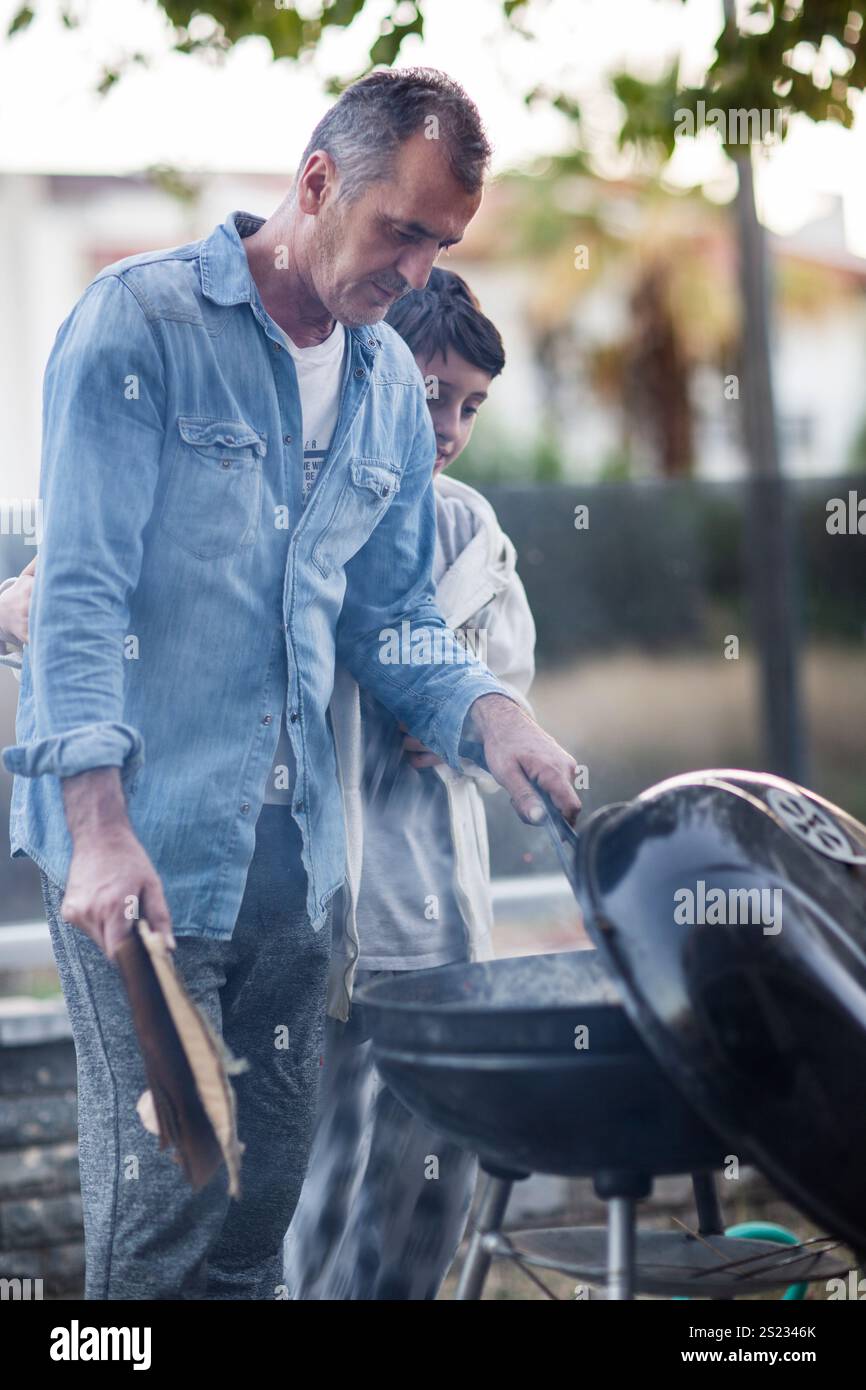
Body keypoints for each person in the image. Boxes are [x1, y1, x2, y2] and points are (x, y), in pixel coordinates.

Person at [0, 68, 581, 1300]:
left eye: (445, 244)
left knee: (260, 1212)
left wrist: (495, 719)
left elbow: (395, 620)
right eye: (402, 231)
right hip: (141, 865)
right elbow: (80, 597)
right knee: (166, 1204)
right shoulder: (137, 328)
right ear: (317, 182)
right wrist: (96, 833)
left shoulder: (381, 385)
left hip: (297, 878)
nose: (420, 271)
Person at [283, 268, 534, 1299]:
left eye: (471, 403)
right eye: (434, 393)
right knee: (330, 1174)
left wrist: (464, 722)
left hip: (441, 918)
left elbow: (506, 683)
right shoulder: (316, 512)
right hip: (343, 921)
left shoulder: (472, 529)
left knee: (436, 1172)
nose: (450, 423)